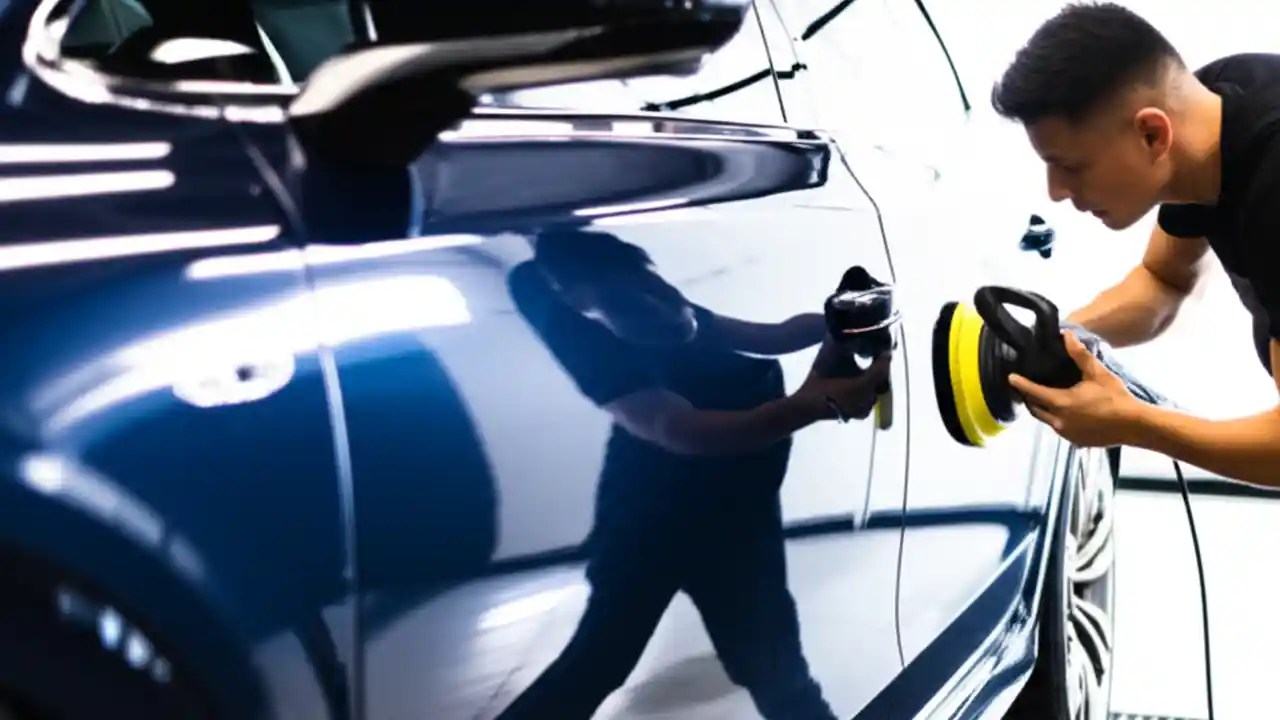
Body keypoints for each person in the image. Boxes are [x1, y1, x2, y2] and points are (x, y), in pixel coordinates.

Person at [496, 228, 890, 720]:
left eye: (654, 285)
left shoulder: (674, 314)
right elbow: (688, 432)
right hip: (646, 534)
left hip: (740, 528)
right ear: (587, 312)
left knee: (778, 671)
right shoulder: (602, 356)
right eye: (627, 301)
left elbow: (775, 334)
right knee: (597, 665)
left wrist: (837, 329)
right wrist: (813, 405)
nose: (657, 306)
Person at [989, 1, 1280, 486]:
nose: (1055, 192)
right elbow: (1162, 282)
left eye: (1071, 166)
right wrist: (1060, 341)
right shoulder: (1216, 109)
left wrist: (1134, 423)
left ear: (1151, 134)